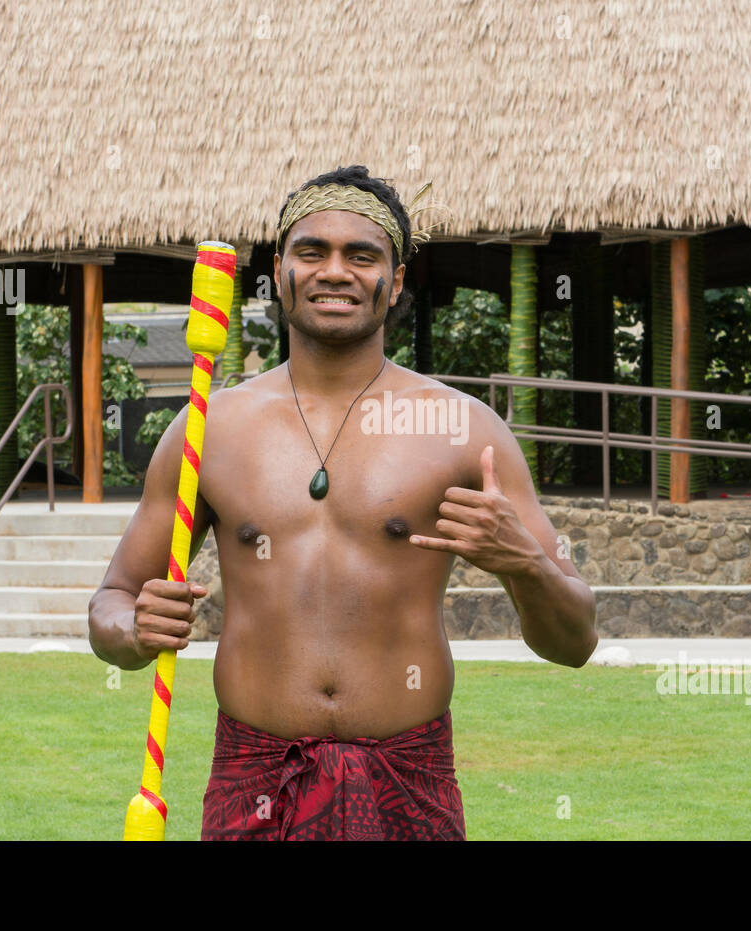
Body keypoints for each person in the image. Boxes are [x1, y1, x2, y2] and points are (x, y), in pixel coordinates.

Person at [89, 164, 597, 840]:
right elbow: (112, 601)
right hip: (255, 782)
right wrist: (134, 629)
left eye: (362, 255)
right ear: (279, 270)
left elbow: (575, 641)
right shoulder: (211, 427)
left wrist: (527, 561)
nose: (336, 270)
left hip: (407, 781)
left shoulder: (463, 430)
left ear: (396, 281)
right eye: (312, 251)